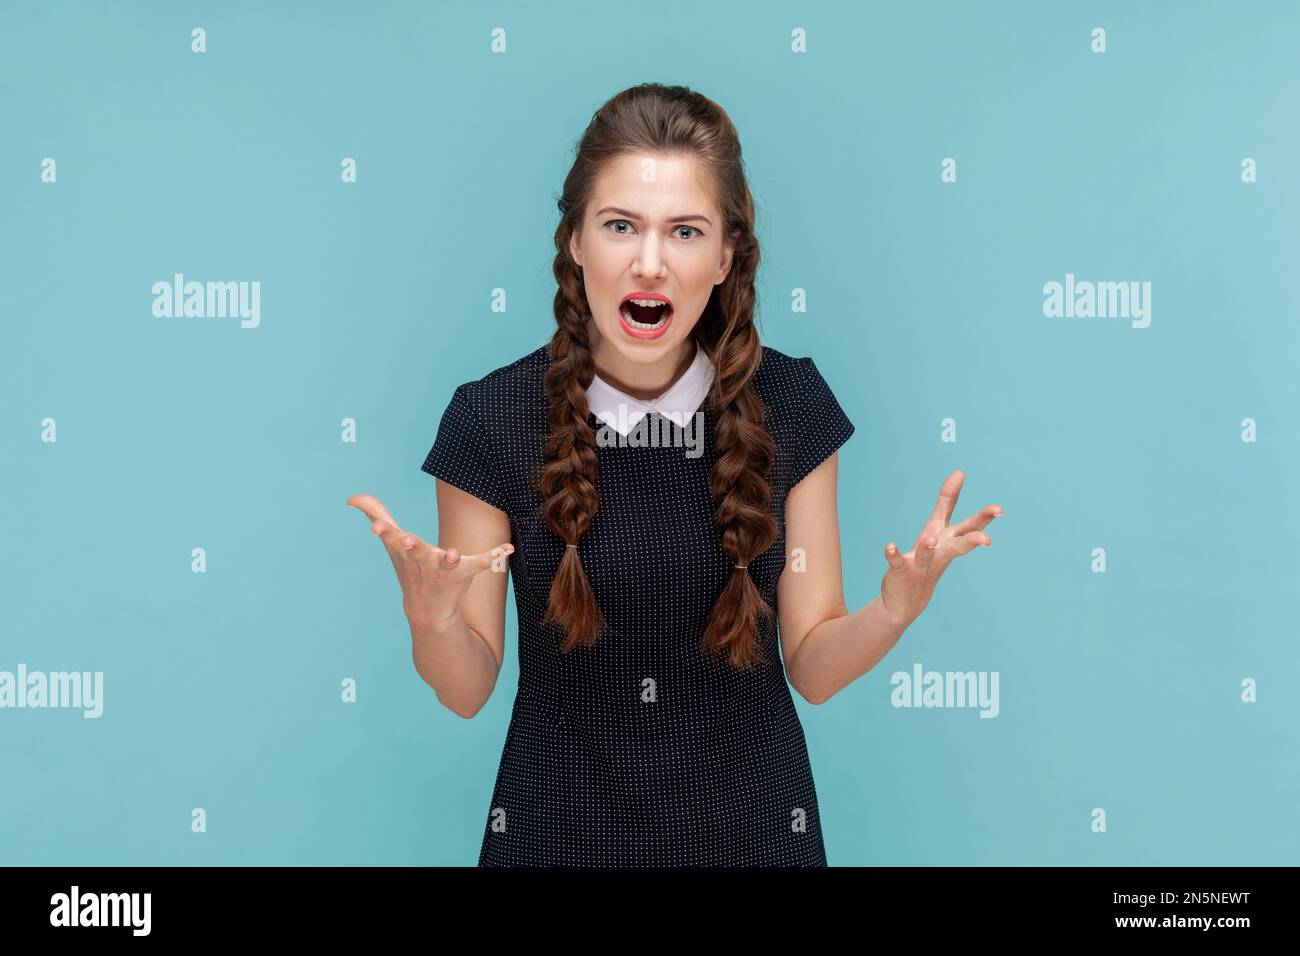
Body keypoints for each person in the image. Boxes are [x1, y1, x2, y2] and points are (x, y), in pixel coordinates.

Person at [348, 82, 1001, 866]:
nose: (650, 263)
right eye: (620, 226)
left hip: (756, 842)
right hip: (556, 841)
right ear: (576, 244)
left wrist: (894, 609)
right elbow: (464, 689)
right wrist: (432, 617)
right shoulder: (491, 421)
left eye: (685, 232)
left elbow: (815, 669)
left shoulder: (791, 405)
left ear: (727, 255)